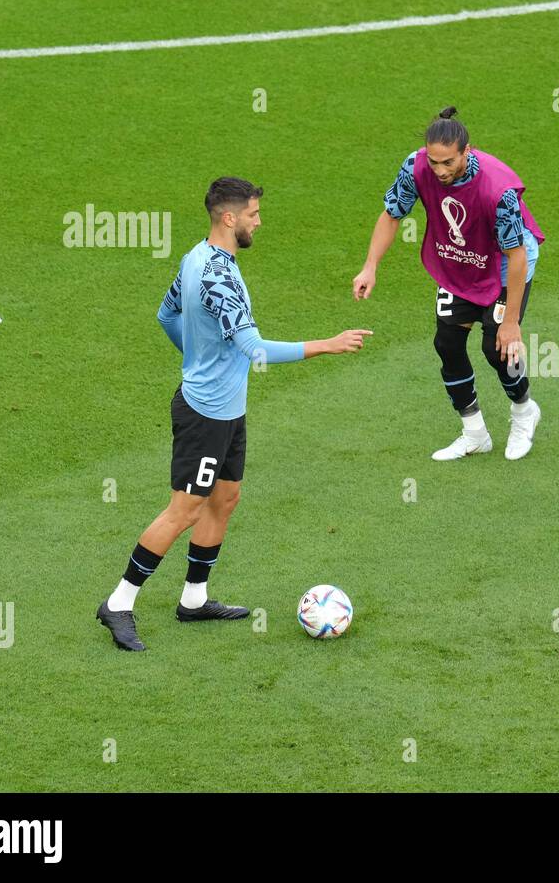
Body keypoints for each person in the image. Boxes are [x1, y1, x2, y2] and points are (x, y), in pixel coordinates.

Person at [97, 177, 372, 651]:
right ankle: (118, 603)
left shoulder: (196, 257)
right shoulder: (219, 279)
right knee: (184, 510)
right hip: (205, 415)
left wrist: (198, 359)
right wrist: (327, 344)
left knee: (225, 499)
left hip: (227, 411)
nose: (258, 222)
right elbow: (255, 350)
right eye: (253, 214)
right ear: (229, 218)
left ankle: (194, 598)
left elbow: (166, 314)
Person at [352, 107, 545, 460]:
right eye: (434, 161)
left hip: (504, 266)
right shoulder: (415, 167)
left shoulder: (498, 189)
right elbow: (392, 215)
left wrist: (511, 322)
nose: (439, 170)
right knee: (447, 343)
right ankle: (474, 433)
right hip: (462, 261)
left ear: (467, 151)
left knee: (498, 348)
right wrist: (370, 266)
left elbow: (516, 255)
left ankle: (524, 411)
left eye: (448, 162)